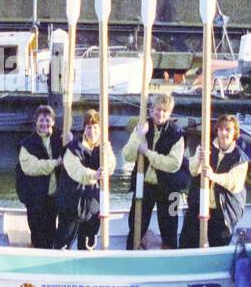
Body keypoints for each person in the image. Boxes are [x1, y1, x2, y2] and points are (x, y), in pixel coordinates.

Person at [122, 92, 191, 249]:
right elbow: (127, 156)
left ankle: (170, 259)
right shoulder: (142, 128)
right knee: (136, 225)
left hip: (170, 187)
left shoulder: (177, 134)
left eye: (164, 111)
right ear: (151, 110)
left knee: (170, 227)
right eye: (157, 109)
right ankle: (130, 255)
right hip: (144, 184)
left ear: (169, 113)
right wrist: (138, 137)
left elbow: (173, 164)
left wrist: (147, 153)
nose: (160, 113)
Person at [179, 113, 249, 248]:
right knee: (186, 243)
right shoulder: (206, 149)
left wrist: (212, 176)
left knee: (218, 245)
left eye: (228, 129)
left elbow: (234, 183)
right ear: (216, 131)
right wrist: (199, 158)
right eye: (220, 129)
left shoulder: (241, 158)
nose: (223, 133)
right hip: (199, 206)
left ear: (235, 133)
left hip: (223, 211)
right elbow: (193, 170)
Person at [55, 109, 116, 250]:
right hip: (71, 203)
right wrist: (94, 175)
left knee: (88, 245)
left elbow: (111, 167)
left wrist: (107, 154)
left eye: (95, 127)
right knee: (63, 243)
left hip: (93, 205)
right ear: (84, 128)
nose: (92, 131)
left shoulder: (104, 148)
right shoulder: (72, 148)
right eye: (89, 127)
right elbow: (76, 171)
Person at [16, 104, 65, 248]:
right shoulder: (27, 143)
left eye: (47, 120)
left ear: (53, 122)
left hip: (54, 196)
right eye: (41, 120)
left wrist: (71, 140)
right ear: (36, 121)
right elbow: (31, 167)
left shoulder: (60, 140)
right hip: (35, 197)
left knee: (51, 232)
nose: (44, 123)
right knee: (37, 233)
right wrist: (55, 163)